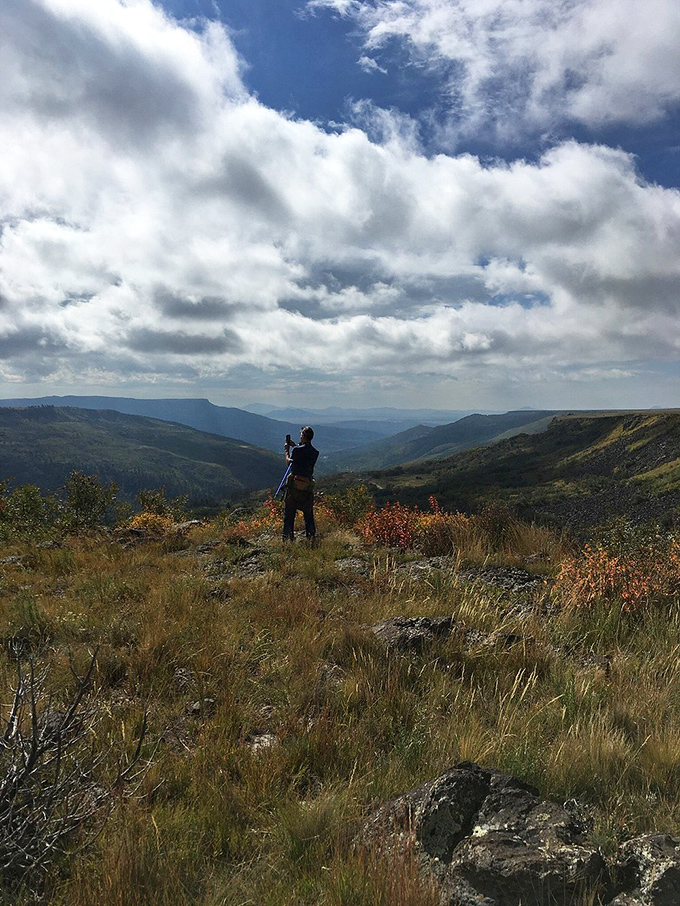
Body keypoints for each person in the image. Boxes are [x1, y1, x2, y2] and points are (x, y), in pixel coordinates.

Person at [282, 426, 319, 542]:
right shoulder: (315, 452)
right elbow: (304, 456)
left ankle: (288, 539)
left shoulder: (297, 451)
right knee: (308, 514)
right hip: (307, 486)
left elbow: (289, 463)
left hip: (294, 486)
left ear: (303, 436)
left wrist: (287, 451)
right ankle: (311, 538)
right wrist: (295, 446)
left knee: (289, 514)